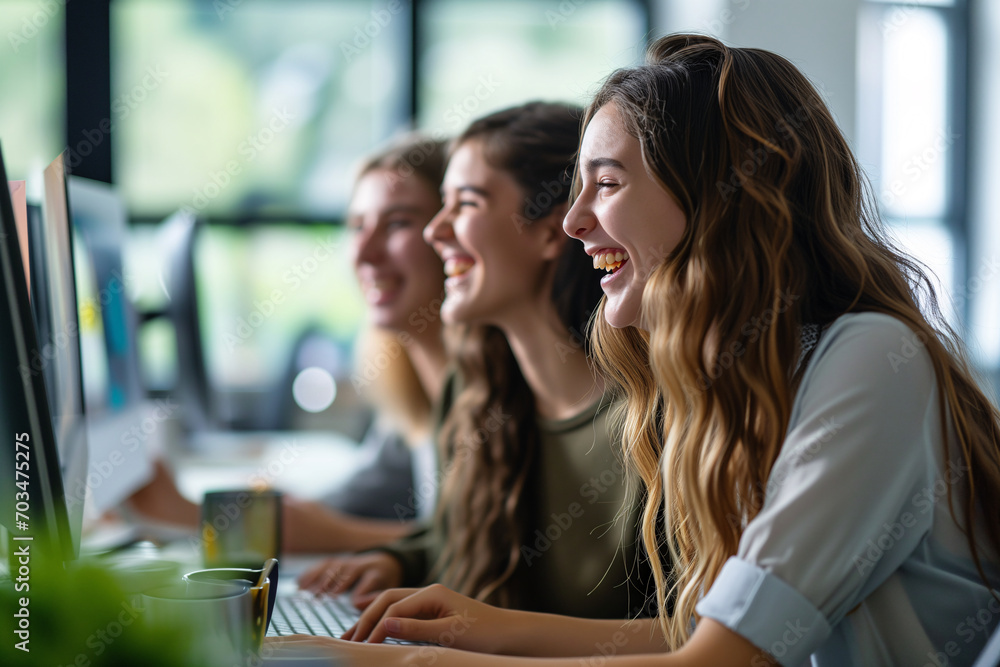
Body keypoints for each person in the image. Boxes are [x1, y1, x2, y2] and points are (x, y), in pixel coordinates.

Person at [273, 34, 1000, 666]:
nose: (575, 221)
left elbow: (723, 660)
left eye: (607, 183)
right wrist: (484, 627)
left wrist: (414, 661)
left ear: (717, 195)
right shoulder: (739, 378)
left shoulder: (869, 359)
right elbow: (709, 632)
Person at [299, 101, 655, 618]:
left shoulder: (652, 416)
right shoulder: (478, 392)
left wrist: (473, 634)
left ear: (550, 231)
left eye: (466, 204)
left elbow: (697, 634)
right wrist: (401, 560)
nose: (435, 231)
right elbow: (457, 537)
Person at [126, 134, 451, 554]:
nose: (364, 252)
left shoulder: (486, 393)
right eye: (356, 226)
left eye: (398, 223)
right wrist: (249, 512)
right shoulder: (410, 382)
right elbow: (358, 498)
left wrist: (196, 515)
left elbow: (476, 550)